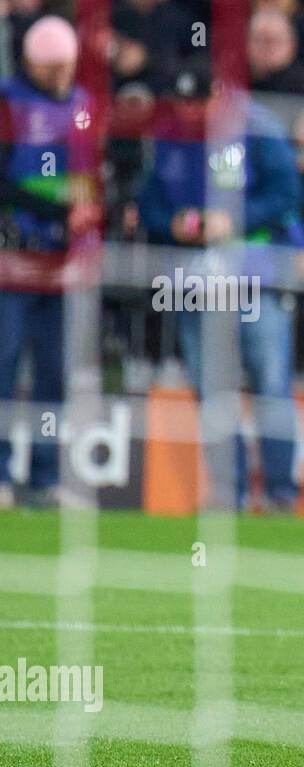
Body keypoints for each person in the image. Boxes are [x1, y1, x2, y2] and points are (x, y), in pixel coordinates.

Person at [136, 62, 304, 512]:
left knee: (270, 384)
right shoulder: (171, 132)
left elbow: (287, 192)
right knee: (212, 392)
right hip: (197, 281)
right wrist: (170, 222)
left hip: (254, 277)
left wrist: (234, 219)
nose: (192, 111)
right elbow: (150, 197)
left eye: (200, 100)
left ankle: (280, 494)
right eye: (184, 101)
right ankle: (227, 494)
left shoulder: (257, 125)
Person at [0, 15, 100, 509]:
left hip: (64, 264)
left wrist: (95, 207)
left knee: (52, 375)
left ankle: (42, 477)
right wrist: (56, 208)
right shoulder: (7, 101)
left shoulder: (84, 104)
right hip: (12, 260)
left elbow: (94, 167)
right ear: (32, 62)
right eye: (52, 67)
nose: (61, 76)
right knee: (3, 364)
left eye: (68, 67)